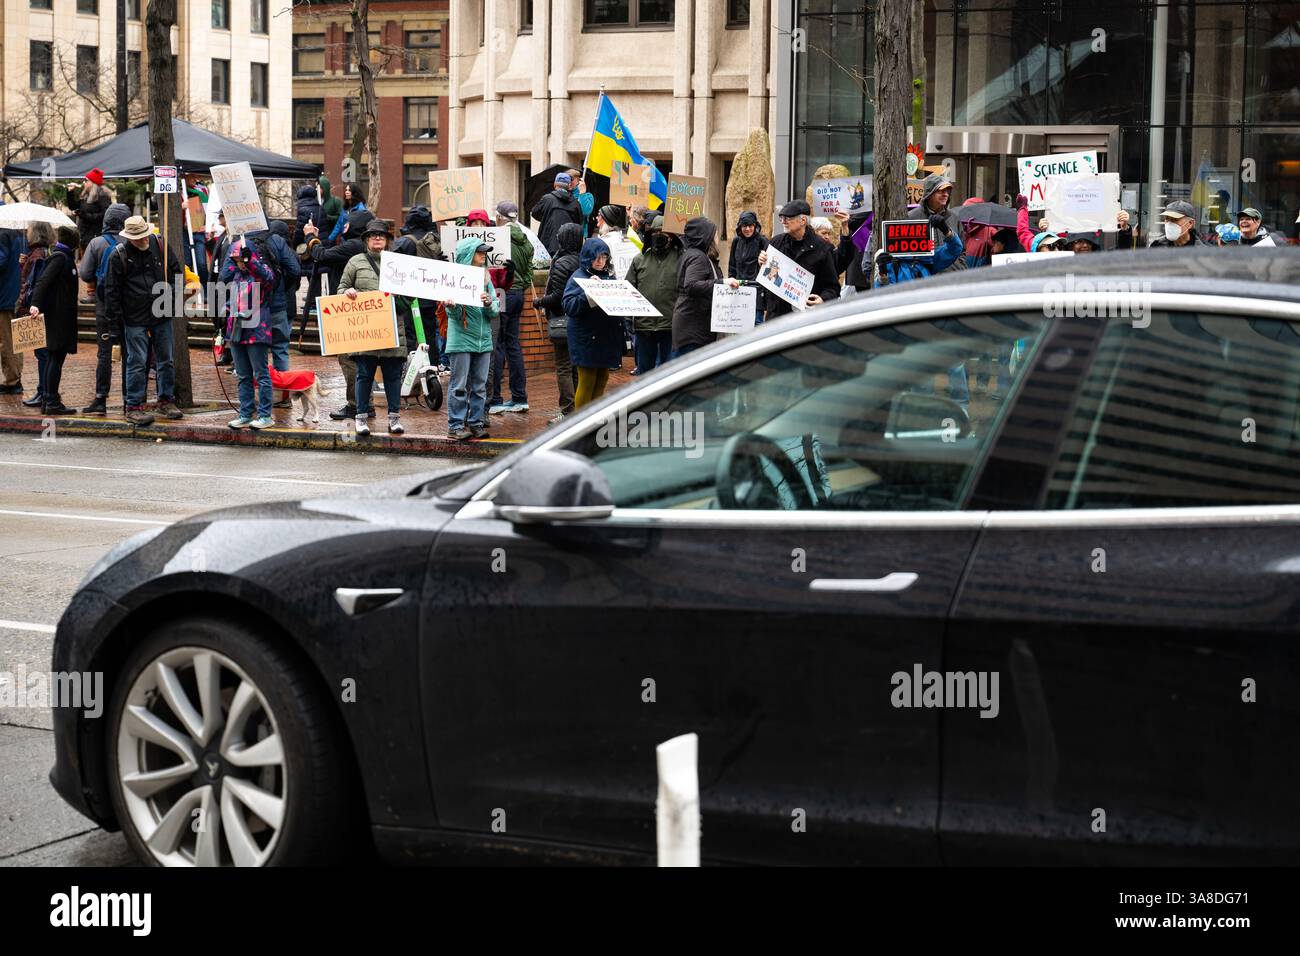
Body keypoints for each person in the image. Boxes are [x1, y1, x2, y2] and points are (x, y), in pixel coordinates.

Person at [874, 216, 970, 405]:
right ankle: (922, 421)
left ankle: (962, 412)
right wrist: (883, 273)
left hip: (935, 322)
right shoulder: (892, 265)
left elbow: (955, 249)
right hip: (910, 327)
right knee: (923, 381)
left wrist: (945, 229)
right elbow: (883, 297)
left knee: (955, 366)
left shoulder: (927, 260)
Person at [103, 215, 187, 425]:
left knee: (165, 360)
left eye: (143, 236)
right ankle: (134, 405)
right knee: (137, 362)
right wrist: (115, 323)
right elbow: (111, 291)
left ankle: (166, 400)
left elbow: (177, 271)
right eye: (137, 237)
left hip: (161, 312)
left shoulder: (159, 244)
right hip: (134, 316)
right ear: (129, 237)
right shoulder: (118, 255)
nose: (142, 240)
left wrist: (173, 298)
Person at [338, 219, 410, 436]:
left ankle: (394, 418)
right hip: (366, 331)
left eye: (381, 235)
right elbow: (341, 287)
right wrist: (347, 293)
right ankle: (361, 418)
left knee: (392, 377)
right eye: (373, 235)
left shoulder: (398, 263)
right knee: (364, 375)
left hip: (392, 329)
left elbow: (409, 296)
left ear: (387, 240)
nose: (377, 238)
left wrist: (398, 295)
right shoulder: (355, 262)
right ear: (366, 240)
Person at [303, 207, 375, 419]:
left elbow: (321, 255)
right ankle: (364, 403)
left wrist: (310, 236)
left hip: (348, 311)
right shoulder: (359, 246)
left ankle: (356, 405)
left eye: (347, 222)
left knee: (349, 360)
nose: (344, 225)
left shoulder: (352, 245)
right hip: (357, 309)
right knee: (360, 360)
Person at [76, 201, 131, 414]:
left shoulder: (96, 243)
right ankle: (131, 398)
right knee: (131, 353)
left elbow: (86, 274)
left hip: (104, 306)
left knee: (104, 353)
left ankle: (100, 398)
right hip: (129, 306)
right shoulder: (133, 240)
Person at [444, 237, 499, 440]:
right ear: (468, 255)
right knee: (459, 385)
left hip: (482, 340)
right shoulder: (454, 279)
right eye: (479, 251)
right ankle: (456, 425)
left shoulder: (486, 279)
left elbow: (494, 311)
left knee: (479, 385)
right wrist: (452, 306)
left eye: (484, 252)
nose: (483, 255)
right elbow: (455, 317)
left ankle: (476, 423)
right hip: (461, 340)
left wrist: (487, 304)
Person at [219, 238, 277, 429]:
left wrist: (251, 260)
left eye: (241, 258)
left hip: (257, 329)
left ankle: (265, 415)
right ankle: (245, 413)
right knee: (243, 374)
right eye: (236, 259)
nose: (239, 262)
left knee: (261, 374)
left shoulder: (262, 273)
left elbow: (268, 278)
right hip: (236, 329)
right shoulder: (236, 275)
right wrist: (227, 310)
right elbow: (224, 279)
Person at [563, 237, 623, 408]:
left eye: (604, 257)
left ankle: (593, 417)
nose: (600, 261)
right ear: (587, 256)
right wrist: (588, 296)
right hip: (587, 337)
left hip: (605, 336)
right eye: (596, 257)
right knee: (587, 379)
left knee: (602, 377)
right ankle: (581, 422)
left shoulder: (610, 277)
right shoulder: (578, 277)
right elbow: (569, 306)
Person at [757, 200, 841, 320]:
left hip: (807, 320)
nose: (783, 222)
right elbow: (768, 278)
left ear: (803, 221)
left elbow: (832, 287)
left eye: (788, 218)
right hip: (777, 318)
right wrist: (762, 263)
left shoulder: (822, 248)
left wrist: (822, 299)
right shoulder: (776, 242)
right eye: (782, 218)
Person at [27, 226, 80, 415]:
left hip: (61, 317)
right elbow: (44, 281)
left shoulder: (63, 257)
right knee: (55, 359)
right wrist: (35, 304)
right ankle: (51, 400)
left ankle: (50, 399)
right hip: (58, 318)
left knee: (55, 359)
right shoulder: (60, 258)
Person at [488, 200, 533, 415]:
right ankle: (519, 398)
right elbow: (529, 271)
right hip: (518, 294)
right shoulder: (525, 240)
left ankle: (495, 399)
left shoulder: (499, 239)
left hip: (503, 292)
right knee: (513, 345)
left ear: (499, 218)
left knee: (498, 346)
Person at [537, 222, 583, 422]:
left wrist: (539, 302)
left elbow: (557, 296)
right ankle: (577, 407)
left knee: (564, 366)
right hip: (580, 319)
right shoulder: (584, 261)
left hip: (562, 320)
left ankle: (567, 411)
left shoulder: (561, 263)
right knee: (575, 366)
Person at [242, 222, 300, 375]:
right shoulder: (276, 240)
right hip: (276, 304)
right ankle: (282, 391)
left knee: (256, 352)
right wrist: (281, 287)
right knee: (280, 348)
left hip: (251, 306)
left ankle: (262, 391)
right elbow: (294, 270)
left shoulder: (239, 242)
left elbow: (224, 277)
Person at [626, 214, 679, 374]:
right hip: (644, 326)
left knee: (669, 373)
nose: (659, 236)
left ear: (671, 237)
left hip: (669, 326)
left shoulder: (681, 258)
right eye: (655, 232)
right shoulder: (639, 259)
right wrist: (629, 319)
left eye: (663, 233)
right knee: (644, 372)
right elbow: (628, 289)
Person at [671, 217, 725, 359]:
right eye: (715, 234)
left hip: (692, 327)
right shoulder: (698, 257)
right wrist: (722, 283)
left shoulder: (695, 254)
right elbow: (692, 285)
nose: (717, 237)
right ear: (706, 236)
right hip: (693, 330)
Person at [17, 221, 55, 409]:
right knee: (42, 352)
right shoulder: (41, 253)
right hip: (39, 309)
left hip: (35, 310)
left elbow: (33, 284)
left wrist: (29, 305)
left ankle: (43, 391)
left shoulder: (37, 256)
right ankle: (44, 390)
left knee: (42, 353)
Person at [908, 174, 966, 274]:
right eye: (940, 190)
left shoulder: (954, 218)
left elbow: (962, 250)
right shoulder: (911, 217)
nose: (945, 194)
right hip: (925, 281)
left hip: (953, 280)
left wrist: (961, 268)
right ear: (929, 194)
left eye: (947, 190)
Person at [728, 210, 770, 324]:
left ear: (755, 226)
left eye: (750, 226)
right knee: (738, 325)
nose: (747, 229)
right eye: (744, 226)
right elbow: (732, 266)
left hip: (757, 292)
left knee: (757, 325)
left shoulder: (763, 241)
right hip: (739, 290)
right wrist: (730, 282)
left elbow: (770, 268)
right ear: (739, 227)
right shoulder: (736, 242)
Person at [0, 218, 25, 397]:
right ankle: (15, 377)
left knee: (6, 340)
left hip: (4, 295)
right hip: (13, 293)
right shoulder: (17, 232)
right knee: (14, 339)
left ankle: (12, 381)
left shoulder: (2, 234)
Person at [531, 171, 583, 255]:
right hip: (568, 247)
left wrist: (547, 217)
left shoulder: (547, 199)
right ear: (569, 186)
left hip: (547, 244)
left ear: (555, 185)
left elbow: (534, 213)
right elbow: (579, 222)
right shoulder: (575, 203)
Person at [65, 168, 112, 251]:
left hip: (95, 236)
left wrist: (84, 215)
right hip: (84, 235)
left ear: (93, 182)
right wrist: (70, 192)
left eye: (86, 180)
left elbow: (105, 214)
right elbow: (73, 206)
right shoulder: (86, 195)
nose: (84, 182)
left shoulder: (102, 196)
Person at [183, 175, 210, 284]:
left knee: (201, 264)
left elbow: (209, 210)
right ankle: (191, 290)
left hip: (199, 232)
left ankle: (205, 290)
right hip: (184, 233)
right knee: (187, 264)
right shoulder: (178, 193)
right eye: (192, 177)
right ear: (184, 177)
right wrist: (181, 206)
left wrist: (207, 225)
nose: (195, 179)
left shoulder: (201, 192)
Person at [317, 174, 343, 242]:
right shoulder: (315, 201)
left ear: (325, 188)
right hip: (318, 236)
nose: (317, 189)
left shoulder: (335, 201)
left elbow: (341, 218)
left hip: (331, 236)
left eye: (319, 187)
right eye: (316, 187)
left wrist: (327, 217)